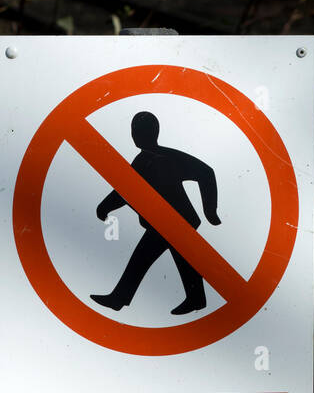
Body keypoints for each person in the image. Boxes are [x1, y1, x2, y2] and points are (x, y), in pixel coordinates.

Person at [90, 111, 220, 316]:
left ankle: (120, 298)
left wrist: (210, 211)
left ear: (147, 133)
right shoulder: (146, 159)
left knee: (142, 258)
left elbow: (206, 172)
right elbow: (126, 190)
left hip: (174, 222)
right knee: (182, 259)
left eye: (136, 131)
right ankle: (196, 299)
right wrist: (105, 206)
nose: (133, 135)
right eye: (133, 131)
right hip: (167, 223)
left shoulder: (159, 158)